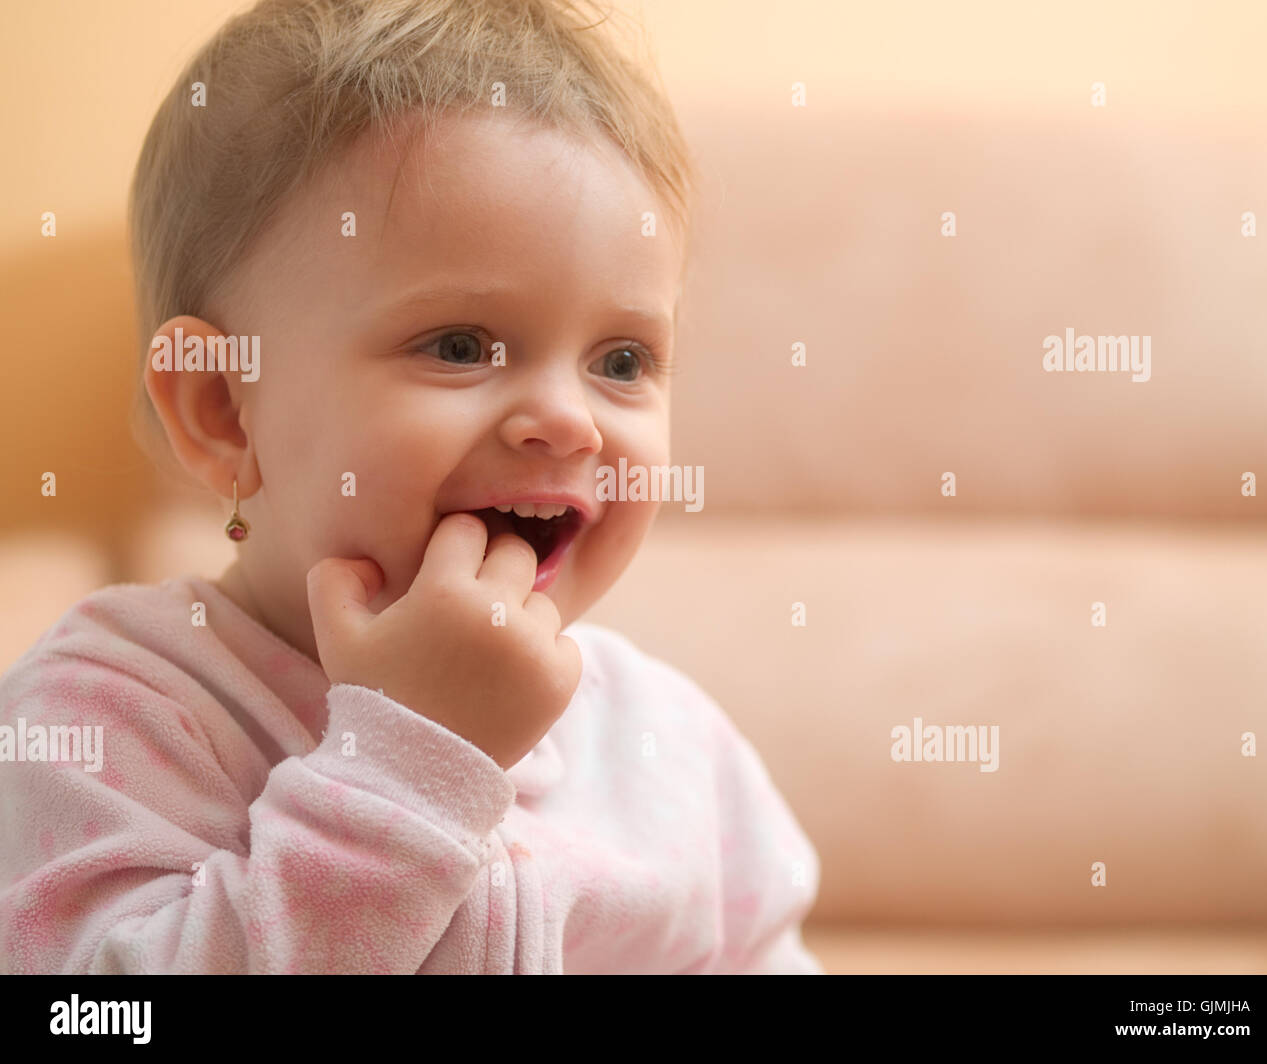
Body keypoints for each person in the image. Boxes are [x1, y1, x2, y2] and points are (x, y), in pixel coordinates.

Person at [0, 0, 822, 974]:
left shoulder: (667, 744)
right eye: (460, 345)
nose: (568, 418)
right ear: (225, 409)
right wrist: (407, 767)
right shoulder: (105, 718)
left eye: (623, 358)